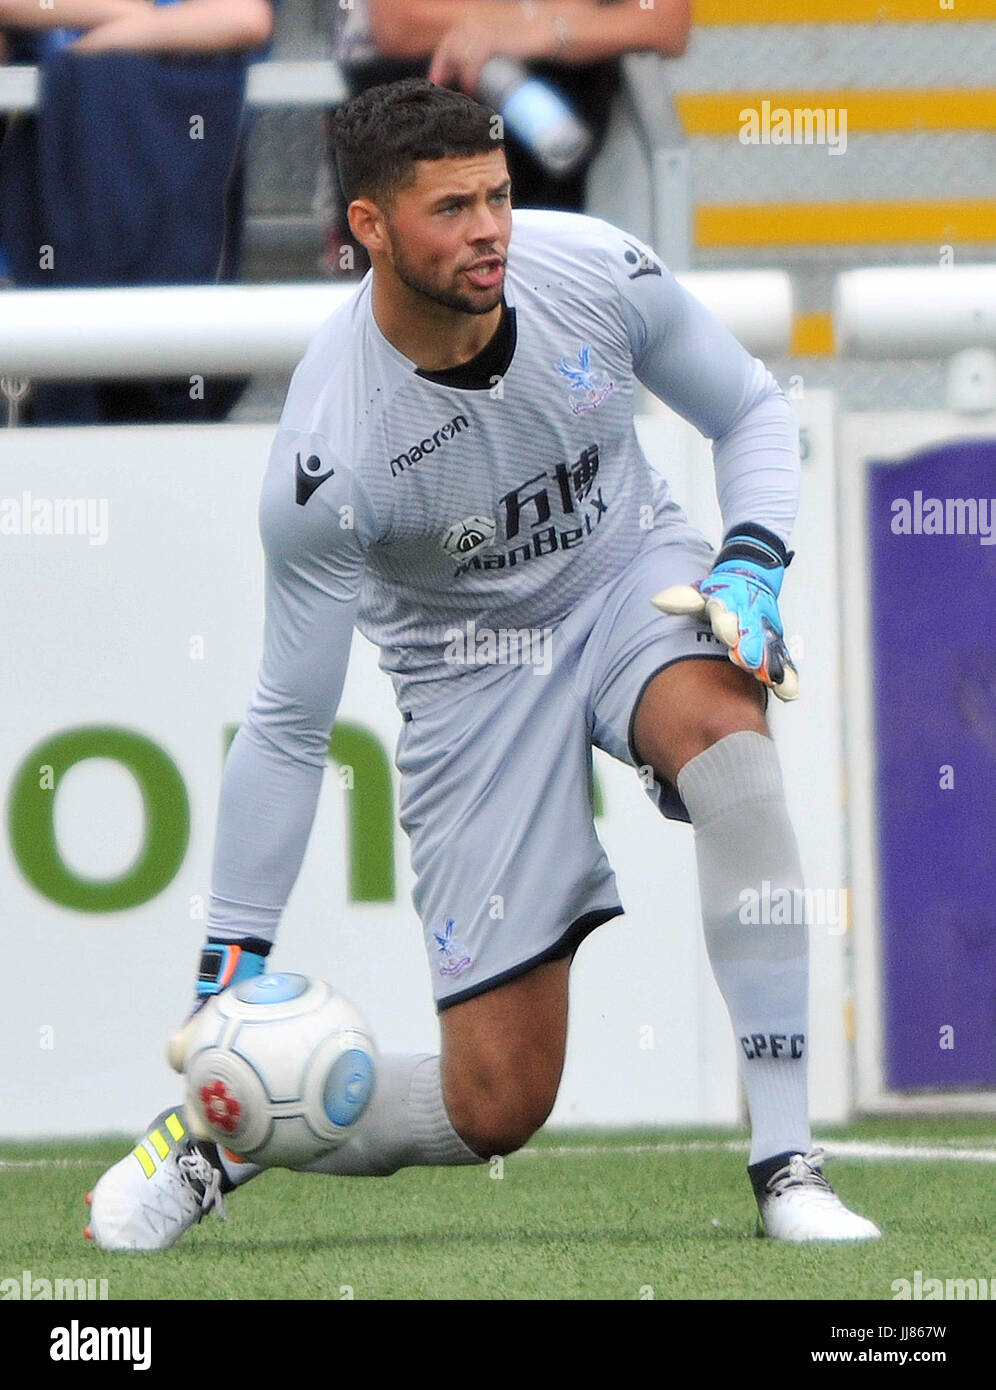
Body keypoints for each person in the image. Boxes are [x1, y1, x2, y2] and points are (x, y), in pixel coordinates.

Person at [87, 77, 880, 1250]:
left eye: (499, 196)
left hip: (627, 578)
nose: (490, 229)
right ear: (369, 227)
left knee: (728, 740)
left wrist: (752, 564)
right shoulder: (328, 455)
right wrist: (232, 961)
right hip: (465, 677)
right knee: (496, 1104)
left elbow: (754, 412)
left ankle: (788, 1168)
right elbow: (290, 727)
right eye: (451, 208)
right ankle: (228, 1135)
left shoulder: (596, 270)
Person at [0, 0, 273, 423]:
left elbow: (243, 17)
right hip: (33, 249)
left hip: (169, 254)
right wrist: (129, 17)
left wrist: (110, 39)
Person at [318, 0, 690, 275]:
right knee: (412, 354)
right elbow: (404, 23)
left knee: (542, 339)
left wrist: (544, 30)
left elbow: (665, 19)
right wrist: (572, 17)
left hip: (553, 177)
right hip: (415, 156)